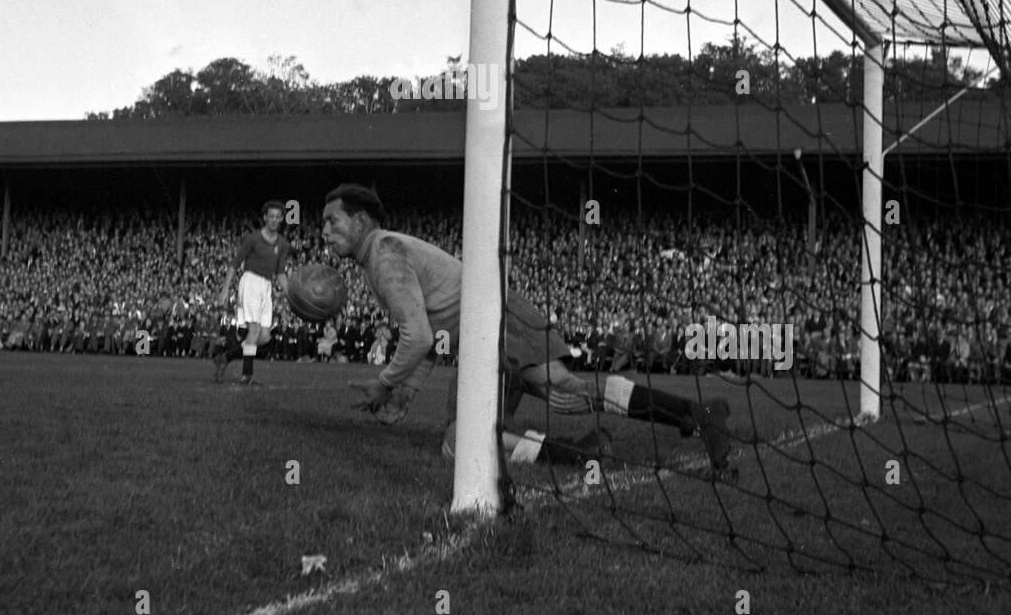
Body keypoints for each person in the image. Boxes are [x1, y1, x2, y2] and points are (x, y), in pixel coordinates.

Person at [321, 185, 733, 478]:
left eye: (331, 221)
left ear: (360, 221)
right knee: (547, 401)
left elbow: (420, 338)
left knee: (476, 437)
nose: (324, 231)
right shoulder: (386, 251)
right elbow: (433, 334)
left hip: (498, 330)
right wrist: (407, 394)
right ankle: (679, 418)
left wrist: (384, 383)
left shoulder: (384, 256)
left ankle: (666, 424)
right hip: (493, 329)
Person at [217, 200, 291, 385]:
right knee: (254, 330)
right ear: (265, 218)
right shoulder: (253, 238)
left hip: (266, 286)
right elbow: (235, 263)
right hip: (250, 282)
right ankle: (247, 376)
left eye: (277, 217)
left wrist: (292, 294)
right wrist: (225, 289)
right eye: (271, 216)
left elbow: (280, 273)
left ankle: (226, 358)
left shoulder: (282, 243)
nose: (274, 220)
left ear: (282, 219)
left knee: (264, 337)